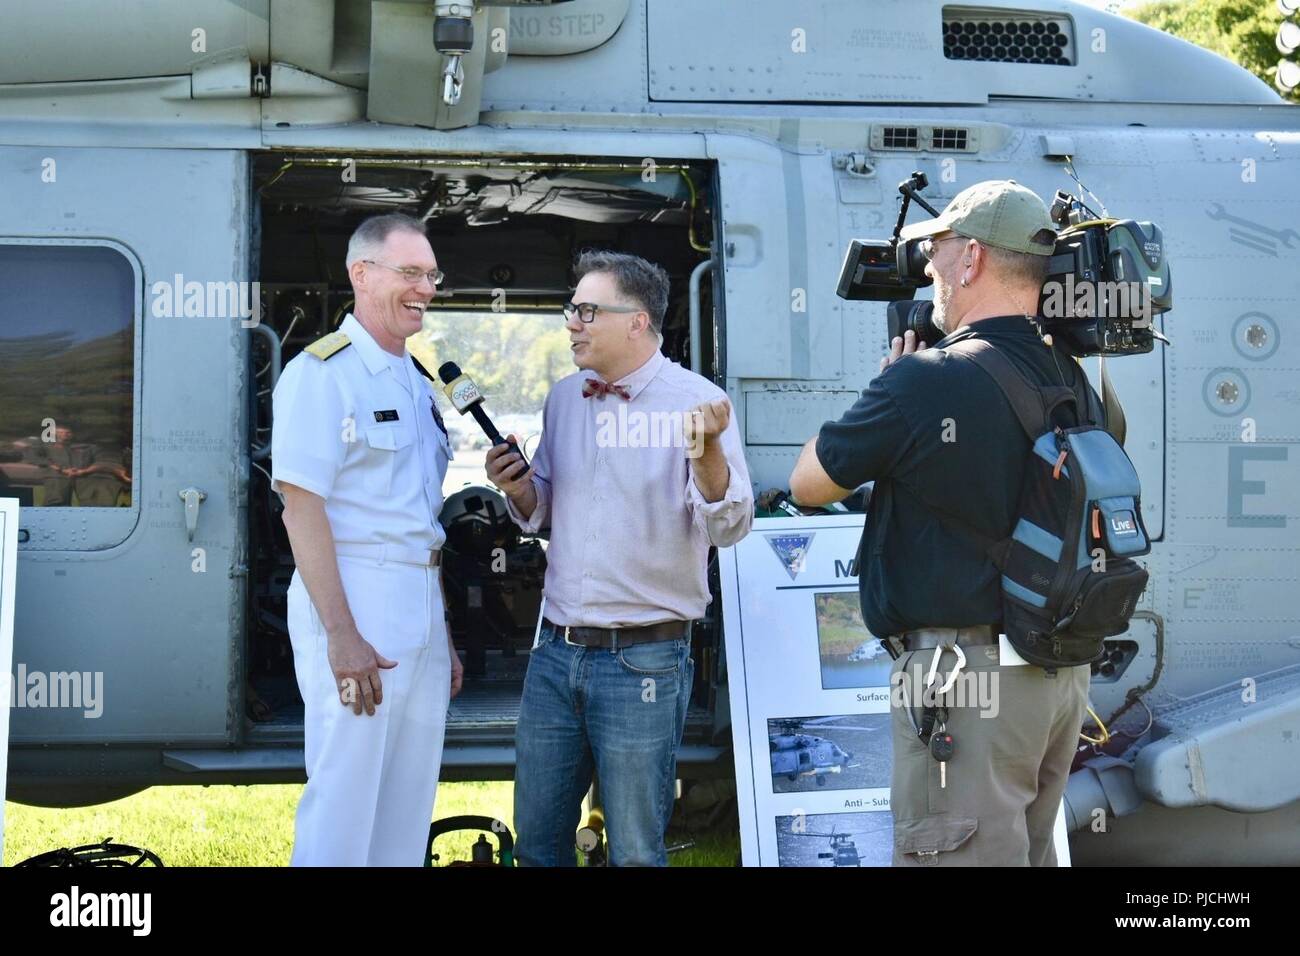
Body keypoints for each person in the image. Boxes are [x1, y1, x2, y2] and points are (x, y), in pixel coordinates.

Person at [789, 180, 1096, 866]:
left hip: (960, 680)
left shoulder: (925, 380)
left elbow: (811, 482)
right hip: (1054, 674)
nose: (927, 266)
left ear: (972, 260)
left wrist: (890, 386)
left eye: (936, 249)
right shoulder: (1074, 376)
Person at [487, 250, 753, 866]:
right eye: (571, 310)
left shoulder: (699, 402)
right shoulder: (563, 399)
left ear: (637, 321)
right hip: (554, 655)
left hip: (645, 662)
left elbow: (730, 524)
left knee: (635, 851)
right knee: (538, 844)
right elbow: (548, 510)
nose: (571, 323)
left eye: (586, 310)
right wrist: (518, 487)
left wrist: (706, 450)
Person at [271, 212, 463, 867]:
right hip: (358, 598)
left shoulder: (415, 382)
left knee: (407, 804)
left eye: (431, 274)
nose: (426, 287)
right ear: (361, 273)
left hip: (418, 600)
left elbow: (417, 521)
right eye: (410, 272)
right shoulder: (324, 373)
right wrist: (342, 634)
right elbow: (301, 507)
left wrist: (442, 637)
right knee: (346, 797)